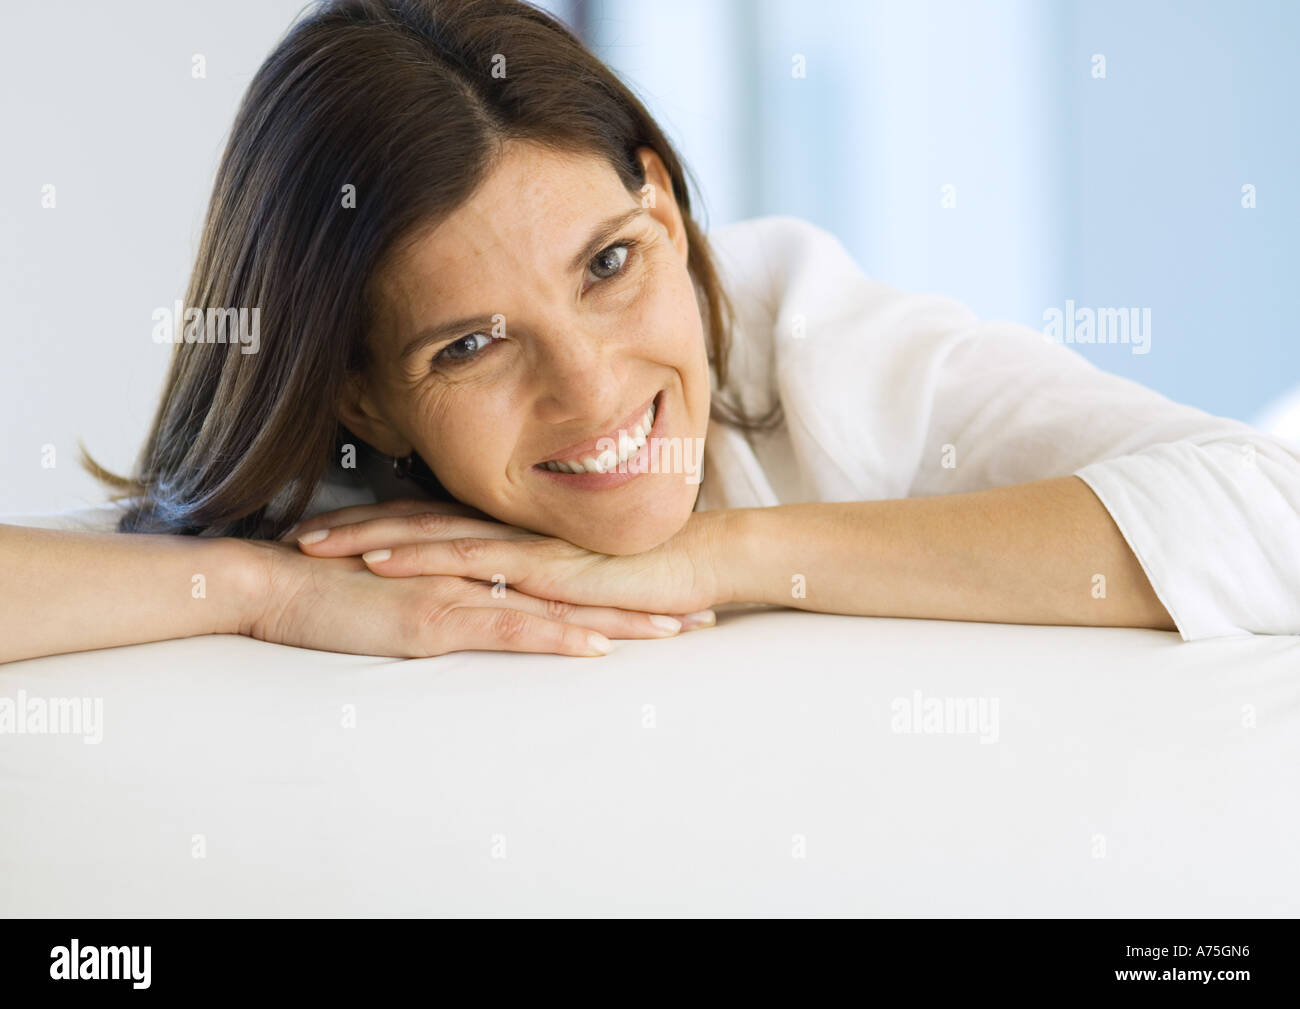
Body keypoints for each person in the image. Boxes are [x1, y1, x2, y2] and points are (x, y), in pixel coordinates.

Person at [4, 0, 1298, 665]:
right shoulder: (349, 512)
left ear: (665, 208)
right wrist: (265, 588)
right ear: (363, 401)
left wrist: (716, 557)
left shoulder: (813, 342)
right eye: (469, 345)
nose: (592, 385)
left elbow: (1276, 507)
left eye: (611, 264)